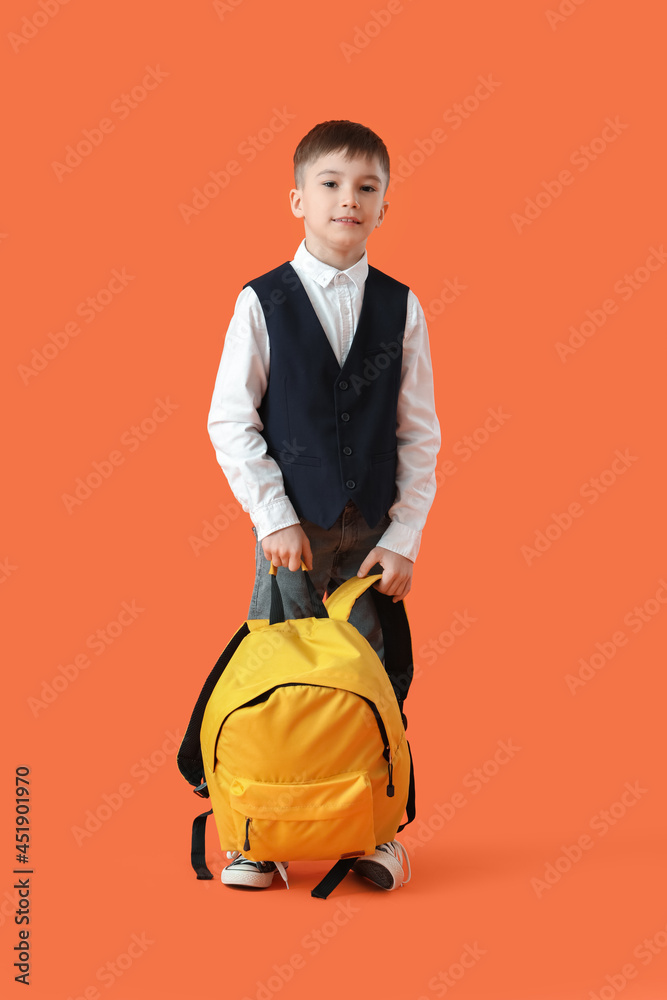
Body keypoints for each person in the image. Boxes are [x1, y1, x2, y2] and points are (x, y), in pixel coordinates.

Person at [207, 119, 440, 891]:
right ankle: (257, 836)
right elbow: (230, 421)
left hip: (371, 539)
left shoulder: (401, 306)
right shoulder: (261, 301)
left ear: (384, 207)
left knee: (371, 683)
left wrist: (404, 535)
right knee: (274, 683)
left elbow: (419, 432)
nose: (349, 199)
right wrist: (272, 515)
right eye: (331, 184)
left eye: (366, 187)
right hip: (293, 536)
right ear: (297, 200)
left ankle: (374, 834)